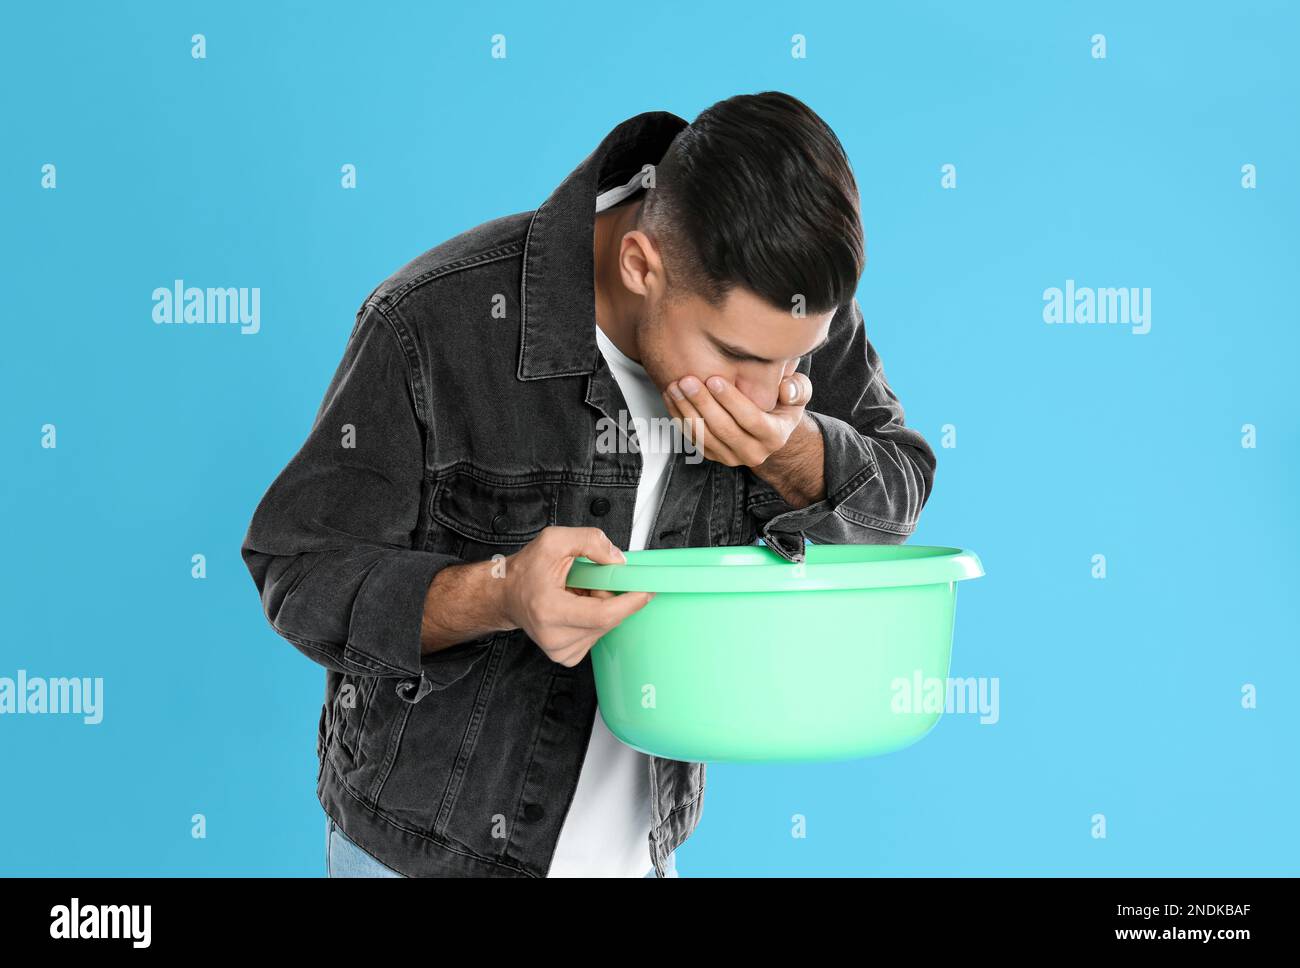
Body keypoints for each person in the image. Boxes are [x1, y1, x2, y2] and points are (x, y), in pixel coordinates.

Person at [241, 91, 937, 878]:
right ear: (643, 264)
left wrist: (795, 453)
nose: (771, 387)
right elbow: (297, 569)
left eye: (794, 358)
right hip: (424, 858)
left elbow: (898, 492)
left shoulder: (785, 310)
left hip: (642, 855)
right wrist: (498, 593)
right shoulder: (434, 320)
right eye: (739, 357)